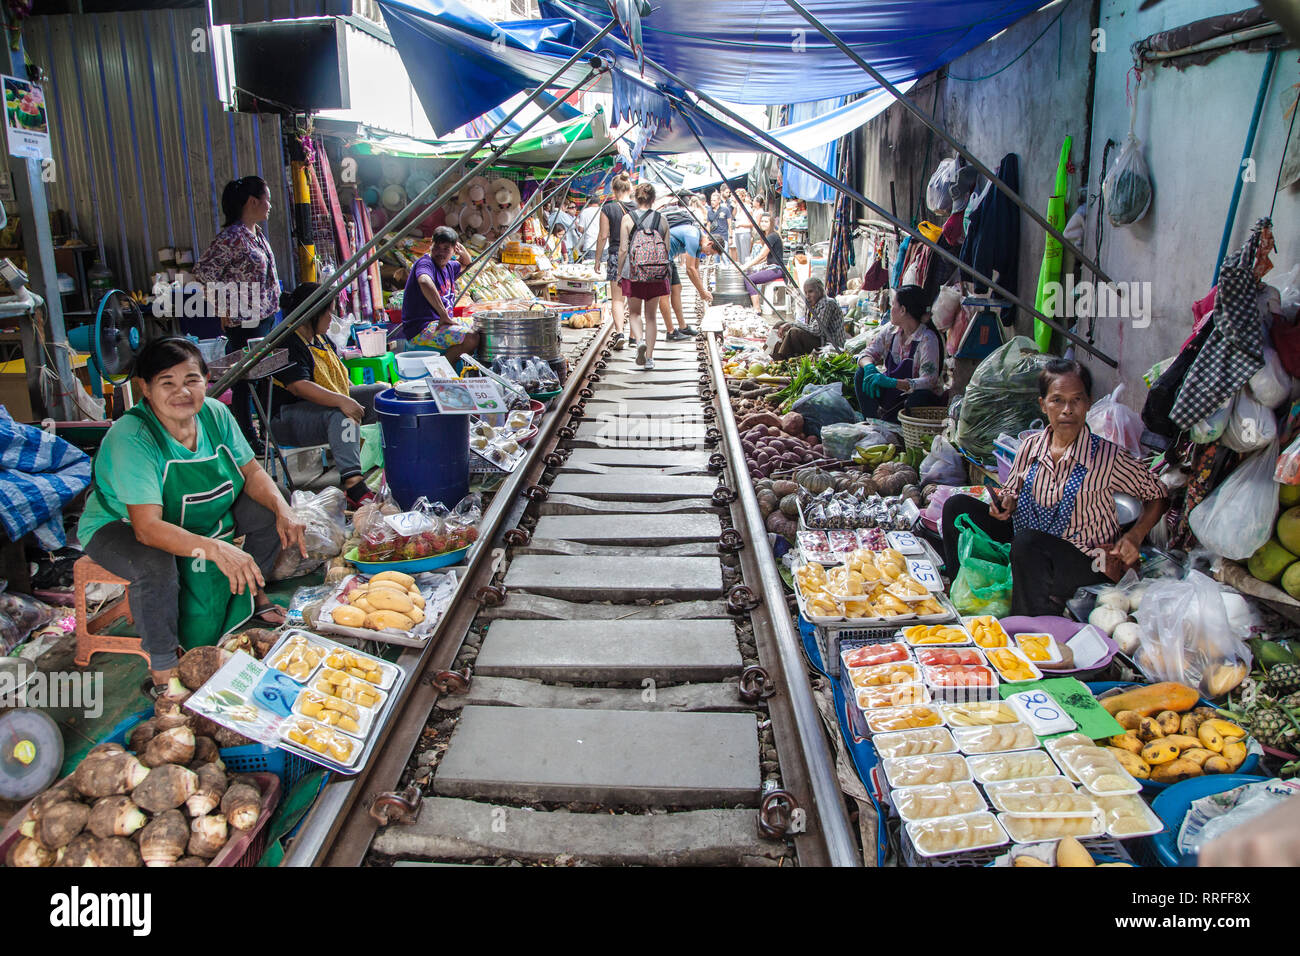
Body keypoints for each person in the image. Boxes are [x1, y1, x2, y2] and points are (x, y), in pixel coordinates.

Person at [78, 337, 307, 690]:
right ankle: (164, 671)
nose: (182, 392)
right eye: (167, 383)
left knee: (270, 511)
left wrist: (283, 509)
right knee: (153, 564)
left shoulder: (215, 413)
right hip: (120, 523)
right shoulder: (133, 436)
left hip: (195, 510)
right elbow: (148, 529)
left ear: (206, 381)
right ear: (146, 389)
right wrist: (216, 549)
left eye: (192, 380)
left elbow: (252, 473)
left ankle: (252, 594)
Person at [939, 359, 1168, 617]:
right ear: (1043, 405)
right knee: (958, 508)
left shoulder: (1108, 457)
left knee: (1027, 545)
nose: (1067, 410)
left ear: (1088, 403)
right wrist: (1005, 502)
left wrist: (1135, 535)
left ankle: (1026, 629)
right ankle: (961, 599)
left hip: (1087, 560)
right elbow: (1011, 490)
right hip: (1028, 546)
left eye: (1076, 400)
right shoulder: (1031, 446)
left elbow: (1158, 494)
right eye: (1057, 400)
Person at [269, 284, 388, 508]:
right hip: (288, 419)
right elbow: (298, 386)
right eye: (328, 312)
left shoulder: (320, 338)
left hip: (320, 407)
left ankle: (388, 462)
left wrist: (353, 395)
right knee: (340, 414)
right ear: (312, 314)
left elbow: (339, 377)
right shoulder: (288, 343)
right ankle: (354, 485)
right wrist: (344, 401)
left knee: (380, 395)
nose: (331, 318)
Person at [193, 176, 281, 452]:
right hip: (245, 321)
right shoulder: (232, 237)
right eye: (266, 199)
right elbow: (203, 274)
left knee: (264, 376)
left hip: (266, 316)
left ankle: (266, 433)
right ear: (253, 202)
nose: (270, 205)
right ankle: (248, 439)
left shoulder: (255, 233)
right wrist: (224, 306)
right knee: (246, 380)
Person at [853, 284, 944, 422]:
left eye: (893, 305)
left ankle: (903, 431)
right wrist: (869, 367)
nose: (890, 309)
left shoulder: (927, 339)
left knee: (920, 396)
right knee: (862, 374)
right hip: (893, 394)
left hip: (915, 401)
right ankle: (872, 423)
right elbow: (867, 353)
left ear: (902, 310)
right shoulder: (891, 330)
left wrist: (894, 382)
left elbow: (929, 381)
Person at [398, 226, 480, 364]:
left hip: (440, 324)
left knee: (481, 326)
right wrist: (443, 315)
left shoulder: (449, 267)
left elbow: (466, 263)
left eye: (446, 249)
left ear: (454, 250)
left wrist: (463, 252)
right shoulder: (426, 263)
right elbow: (424, 280)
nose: (440, 253)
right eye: (437, 247)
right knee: (471, 338)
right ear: (431, 245)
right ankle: (443, 371)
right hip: (422, 328)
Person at [617, 183, 671, 370]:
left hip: (633, 272)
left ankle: (639, 340)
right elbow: (666, 250)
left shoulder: (627, 218)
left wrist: (619, 273)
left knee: (634, 313)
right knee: (651, 317)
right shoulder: (662, 219)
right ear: (653, 199)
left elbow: (623, 250)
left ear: (636, 199)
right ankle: (649, 358)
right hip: (656, 274)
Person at [593, 175, 634, 350]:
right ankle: (634, 336)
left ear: (613, 189)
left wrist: (597, 259)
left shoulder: (608, 208)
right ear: (630, 189)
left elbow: (603, 236)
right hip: (637, 256)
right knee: (634, 297)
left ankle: (620, 333)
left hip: (616, 255)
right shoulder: (639, 207)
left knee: (617, 299)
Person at [661, 218, 718, 341]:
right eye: (710, 253)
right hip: (660, 258)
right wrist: (702, 292)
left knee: (677, 288)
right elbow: (689, 269)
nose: (708, 255)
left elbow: (696, 269)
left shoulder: (699, 244)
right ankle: (670, 332)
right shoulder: (693, 236)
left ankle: (683, 327)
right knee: (664, 294)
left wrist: (702, 290)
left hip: (668, 258)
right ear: (710, 244)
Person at [771, 277, 846, 360]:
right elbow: (807, 326)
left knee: (794, 332)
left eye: (810, 291)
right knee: (780, 324)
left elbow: (817, 330)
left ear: (820, 290)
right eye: (805, 292)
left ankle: (780, 360)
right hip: (818, 339)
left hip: (828, 344)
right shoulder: (812, 304)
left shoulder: (827, 303)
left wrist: (792, 324)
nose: (807, 296)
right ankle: (769, 353)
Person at [739, 212, 784, 311]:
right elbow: (764, 258)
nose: (763, 223)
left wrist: (745, 266)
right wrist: (749, 266)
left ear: (771, 223)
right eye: (762, 221)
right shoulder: (767, 236)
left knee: (748, 279)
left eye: (766, 222)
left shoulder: (772, 236)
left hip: (776, 269)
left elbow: (762, 255)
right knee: (750, 274)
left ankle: (757, 308)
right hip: (772, 268)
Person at [706, 190, 732, 267]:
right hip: (714, 238)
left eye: (714, 200)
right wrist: (708, 237)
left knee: (724, 256)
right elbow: (708, 225)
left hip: (723, 237)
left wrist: (730, 236)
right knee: (716, 258)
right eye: (711, 200)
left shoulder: (725, 209)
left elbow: (729, 223)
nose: (712, 202)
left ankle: (728, 271)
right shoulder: (709, 211)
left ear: (718, 201)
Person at [731, 187, 755, 264]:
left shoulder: (748, 208)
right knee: (739, 254)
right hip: (737, 232)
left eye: (738, 196)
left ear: (743, 197)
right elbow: (733, 216)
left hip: (745, 232)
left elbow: (751, 223)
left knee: (745, 254)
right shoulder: (737, 207)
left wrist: (741, 224)